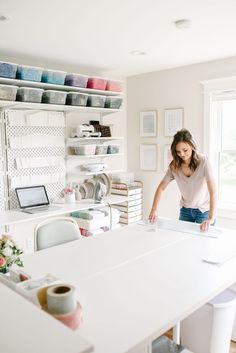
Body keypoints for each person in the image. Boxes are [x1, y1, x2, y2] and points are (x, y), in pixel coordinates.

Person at [149, 129, 216, 232]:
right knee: (181, 240)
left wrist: (211, 218)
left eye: (185, 150)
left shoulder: (203, 162)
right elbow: (161, 188)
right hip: (186, 210)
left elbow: (213, 191)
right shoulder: (174, 166)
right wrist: (154, 210)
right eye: (178, 152)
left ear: (192, 146)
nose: (182, 154)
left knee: (201, 243)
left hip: (204, 211)